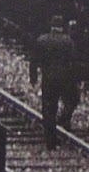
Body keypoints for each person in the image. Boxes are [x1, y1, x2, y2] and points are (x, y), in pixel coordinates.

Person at [29, 15, 79, 150]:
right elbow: (74, 62)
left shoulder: (42, 40)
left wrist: (33, 78)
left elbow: (34, 61)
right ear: (62, 27)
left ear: (51, 26)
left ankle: (50, 141)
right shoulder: (68, 41)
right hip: (65, 79)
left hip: (48, 79)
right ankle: (64, 121)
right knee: (71, 101)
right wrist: (75, 79)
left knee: (49, 109)